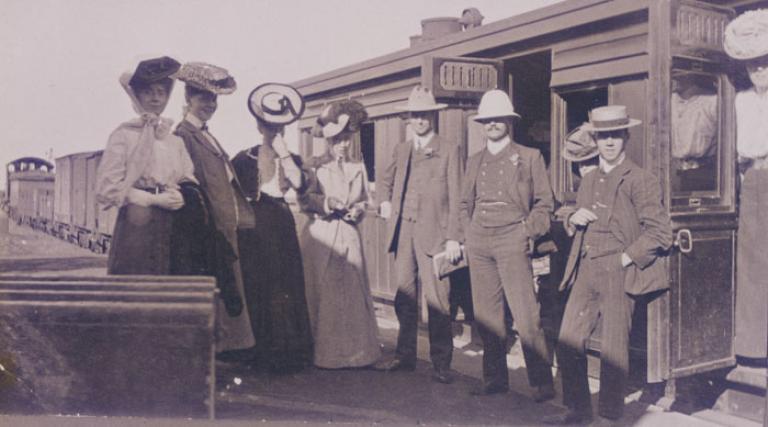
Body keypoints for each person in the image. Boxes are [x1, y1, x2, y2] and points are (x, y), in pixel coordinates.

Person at [544, 106, 673, 425]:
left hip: (619, 269)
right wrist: (573, 218)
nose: (610, 142)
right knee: (568, 339)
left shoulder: (641, 180)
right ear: (595, 140)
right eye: (604, 136)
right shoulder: (588, 180)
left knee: (614, 350)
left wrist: (625, 259)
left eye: (616, 135)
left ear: (626, 136)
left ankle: (609, 417)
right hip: (587, 266)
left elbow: (660, 232)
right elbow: (576, 218)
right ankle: (577, 409)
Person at [459, 89, 555, 400]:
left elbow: (545, 203)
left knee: (526, 316)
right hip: (480, 242)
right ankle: (494, 379)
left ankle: (541, 382)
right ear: (481, 124)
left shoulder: (529, 157)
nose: (492, 124)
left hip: (512, 239)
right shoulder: (473, 161)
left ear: (509, 122)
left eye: (498, 118)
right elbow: (464, 203)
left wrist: (526, 232)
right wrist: (469, 234)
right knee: (487, 317)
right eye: (487, 119)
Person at [377, 86, 463, 384]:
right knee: (405, 296)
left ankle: (441, 364)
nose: (420, 120)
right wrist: (384, 202)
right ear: (409, 118)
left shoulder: (449, 149)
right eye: (415, 115)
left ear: (433, 117)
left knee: (438, 299)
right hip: (403, 232)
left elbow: (458, 196)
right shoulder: (402, 149)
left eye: (425, 115)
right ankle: (405, 356)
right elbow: (384, 181)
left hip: (435, 234)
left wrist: (454, 237)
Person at [173, 62, 256, 356]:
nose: (210, 104)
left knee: (229, 284)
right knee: (217, 284)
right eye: (203, 98)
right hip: (210, 225)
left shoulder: (206, 134)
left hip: (226, 221)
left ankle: (228, 347)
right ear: (188, 98)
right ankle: (217, 349)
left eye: (214, 99)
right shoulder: (183, 135)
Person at [231, 83, 313, 372]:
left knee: (285, 284)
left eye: (279, 126)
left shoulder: (292, 159)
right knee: (256, 283)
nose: (273, 131)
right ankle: (259, 350)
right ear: (258, 126)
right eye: (268, 126)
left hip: (281, 221)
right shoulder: (244, 157)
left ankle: (287, 353)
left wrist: (284, 154)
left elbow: (301, 185)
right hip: (253, 224)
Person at [298, 99, 382, 369]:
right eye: (337, 139)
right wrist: (327, 203)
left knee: (352, 295)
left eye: (347, 138)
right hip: (322, 236)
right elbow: (304, 200)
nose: (343, 144)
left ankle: (357, 354)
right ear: (328, 140)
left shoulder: (358, 166)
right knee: (324, 294)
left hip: (349, 234)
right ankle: (325, 355)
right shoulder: (313, 165)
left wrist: (358, 210)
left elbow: (365, 199)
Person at [96, 56, 196, 275]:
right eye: (149, 92)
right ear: (138, 96)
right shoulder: (123, 135)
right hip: (136, 223)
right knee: (136, 286)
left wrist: (182, 195)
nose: (155, 98)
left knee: (173, 285)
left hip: (172, 225)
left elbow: (188, 178)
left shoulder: (174, 141)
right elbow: (107, 188)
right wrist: (151, 199)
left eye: (161, 92)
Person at [724, 9, 768, 364]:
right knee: (753, 266)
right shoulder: (740, 101)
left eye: (766, 62)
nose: (760, 70)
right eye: (754, 65)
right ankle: (755, 349)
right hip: (751, 183)